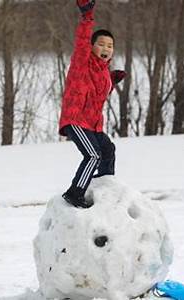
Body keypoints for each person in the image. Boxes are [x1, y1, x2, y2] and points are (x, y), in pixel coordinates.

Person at [59, 0, 126, 208]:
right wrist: (87, 16)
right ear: (92, 46)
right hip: (76, 119)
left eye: (110, 46)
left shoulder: (104, 72)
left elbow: (96, 96)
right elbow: (81, 40)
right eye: (101, 44)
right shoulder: (82, 61)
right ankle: (75, 193)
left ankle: (104, 186)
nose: (106, 48)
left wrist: (111, 81)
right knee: (93, 154)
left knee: (107, 150)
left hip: (93, 124)